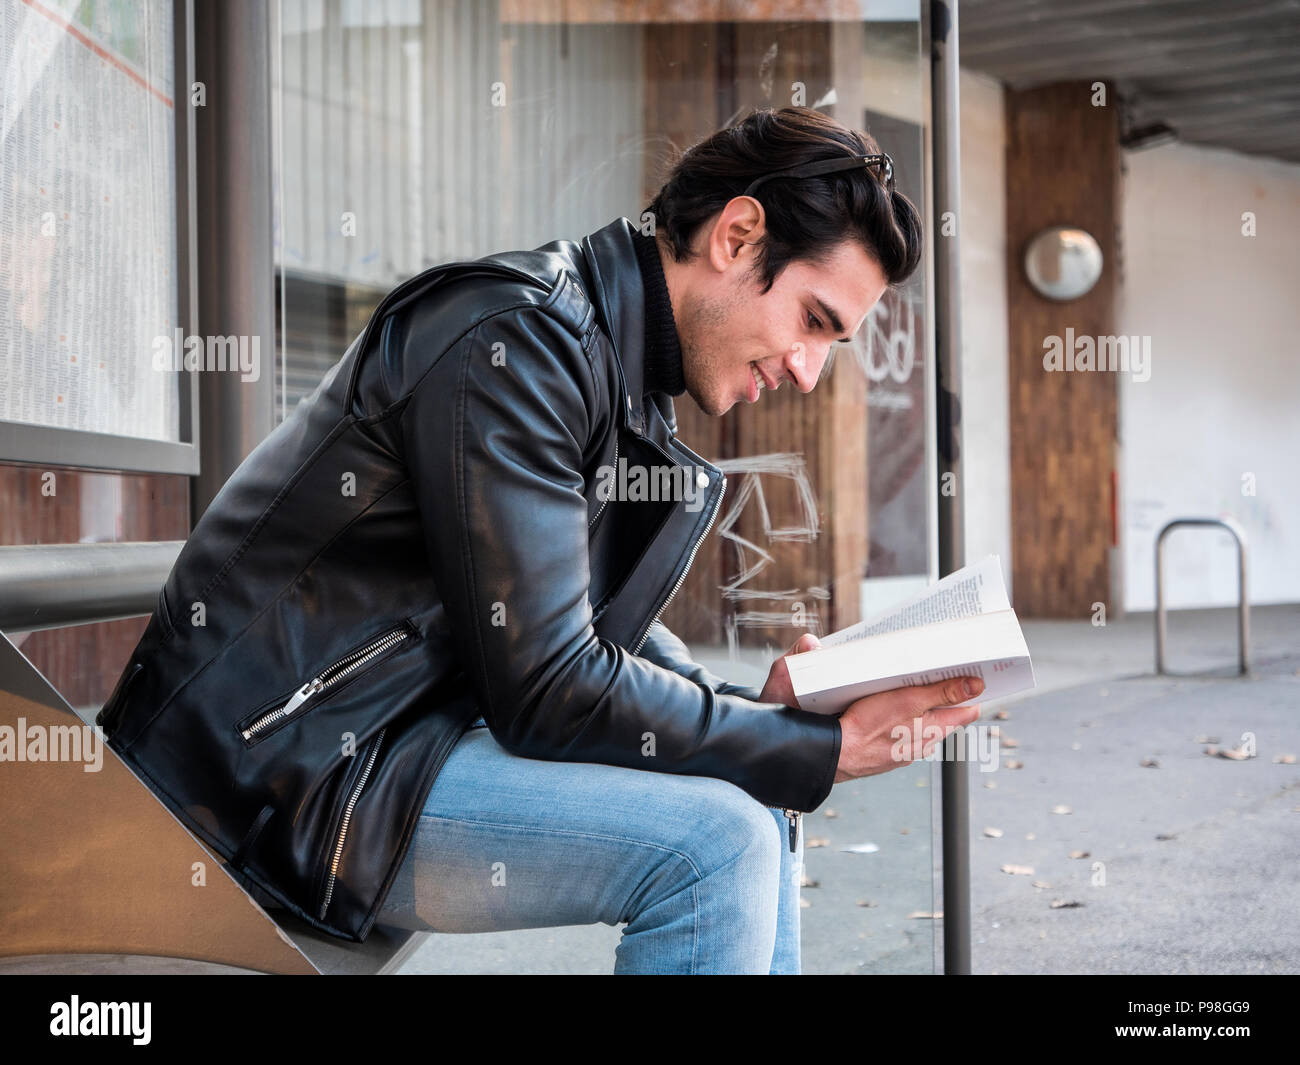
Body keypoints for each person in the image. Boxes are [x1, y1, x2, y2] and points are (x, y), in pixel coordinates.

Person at [98, 106, 981, 974]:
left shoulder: (610, 370)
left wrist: (764, 715)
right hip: (269, 780)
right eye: (813, 321)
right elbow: (553, 687)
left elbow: (585, 631)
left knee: (753, 800)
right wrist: (806, 748)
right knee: (720, 845)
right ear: (739, 235)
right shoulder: (515, 341)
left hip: (394, 746)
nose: (808, 368)